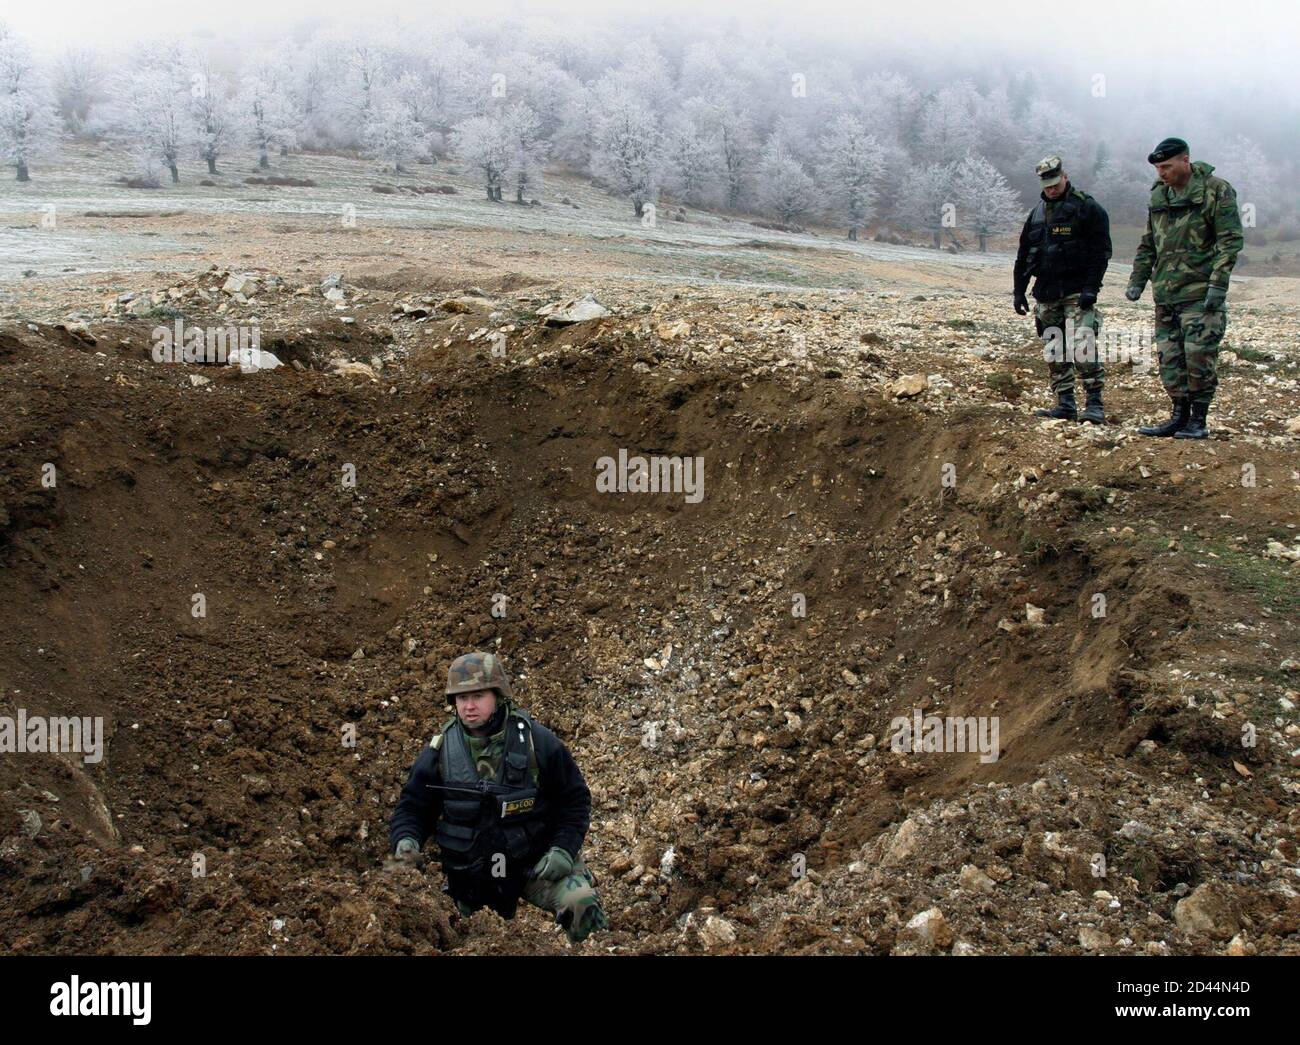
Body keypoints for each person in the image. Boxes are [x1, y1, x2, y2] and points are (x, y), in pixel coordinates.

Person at [389, 651, 608, 944]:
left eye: (477, 696)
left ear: (498, 694)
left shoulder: (537, 742)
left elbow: (575, 801)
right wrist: (406, 841)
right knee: (443, 933)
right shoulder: (439, 752)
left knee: (581, 903)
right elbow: (412, 809)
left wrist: (563, 850)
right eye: (460, 698)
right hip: (471, 877)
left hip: (535, 864)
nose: (468, 707)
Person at [1128, 137, 1244, 439]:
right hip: (1166, 293)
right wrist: (1138, 280)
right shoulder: (1159, 196)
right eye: (1157, 169)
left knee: (1199, 357)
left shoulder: (1216, 190)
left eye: (1166, 166)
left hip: (1200, 293)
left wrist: (1218, 285)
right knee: (1170, 358)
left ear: (1185, 160)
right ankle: (1178, 416)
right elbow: (1148, 243)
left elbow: (1229, 241)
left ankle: (1198, 420)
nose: (1161, 173)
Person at [1013, 154, 1113, 424]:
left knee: (1082, 345)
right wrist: (1019, 290)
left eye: (1055, 184)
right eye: (1047, 186)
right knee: (1054, 349)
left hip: (1077, 290)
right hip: (1046, 292)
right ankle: (1065, 403)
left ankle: (1094, 404)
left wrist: (1091, 288)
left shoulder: (1087, 209)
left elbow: (1101, 252)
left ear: (1065, 177)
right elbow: (1024, 254)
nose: (1052, 189)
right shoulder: (1036, 214)